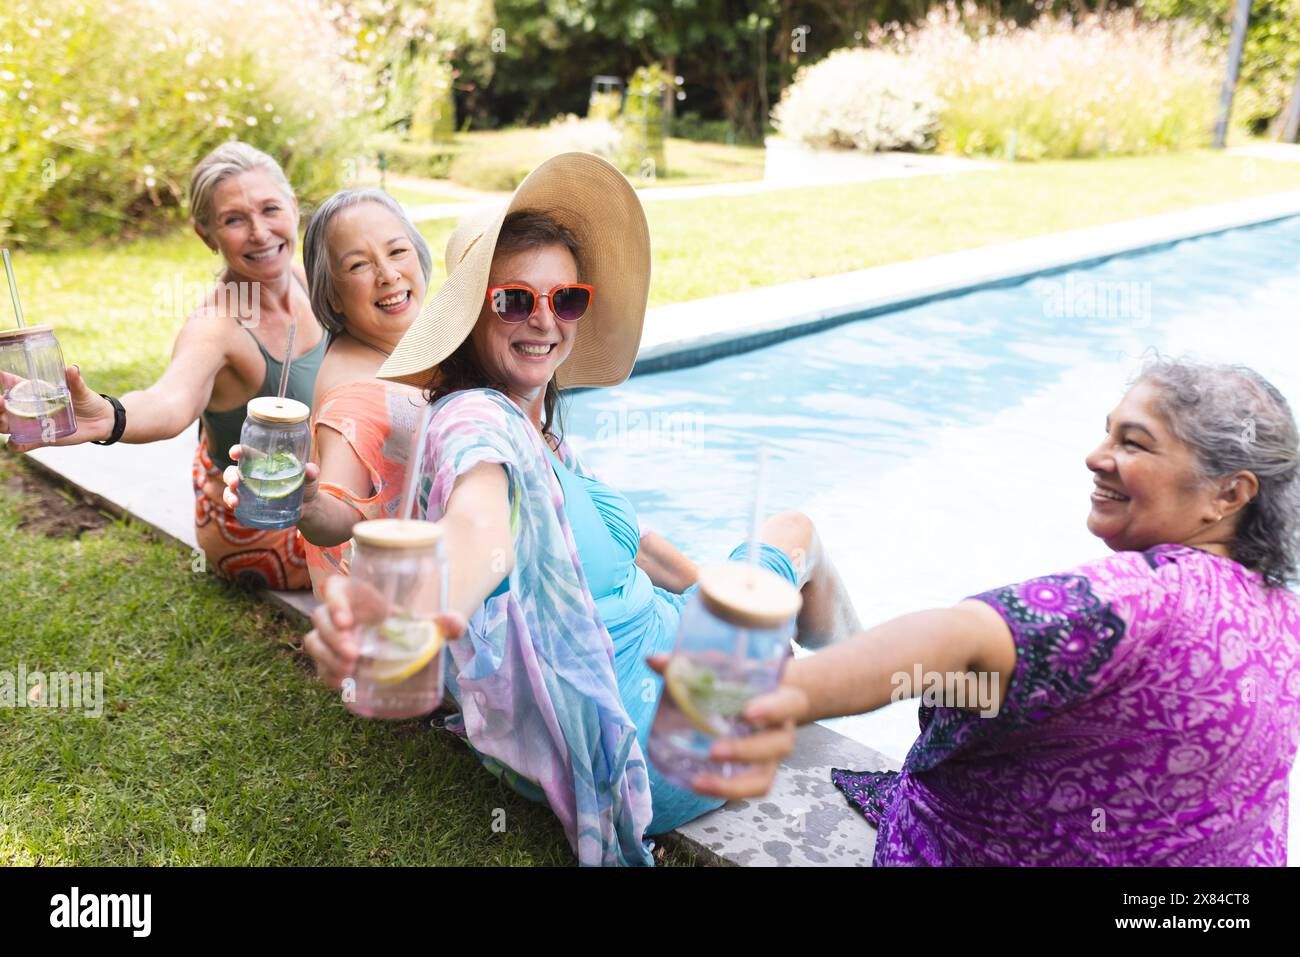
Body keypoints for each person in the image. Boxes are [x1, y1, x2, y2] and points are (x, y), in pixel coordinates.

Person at [304, 152, 861, 866]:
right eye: (514, 300)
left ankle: (826, 665)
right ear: (474, 311)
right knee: (798, 531)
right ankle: (865, 676)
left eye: (565, 299)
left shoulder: (535, 430)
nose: (544, 321)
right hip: (659, 740)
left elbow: (647, 549)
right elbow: (478, 531)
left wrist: (722, 606)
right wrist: (414, 614)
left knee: (761, 577)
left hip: (633, 691)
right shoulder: (476, 422)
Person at [683, 357, 1300, 866]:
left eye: (1131, 443)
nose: (1095, 455)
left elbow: (958, 635)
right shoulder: (1282, 615)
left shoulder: (1142, 600)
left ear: (1229, 493)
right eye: (1106, 431)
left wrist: (782, 692)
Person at [0, 141, 326, 589]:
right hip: (256, 526)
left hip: (311, 492)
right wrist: (110, 416)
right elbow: (170, 401)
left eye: (270, 209)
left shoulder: (309, 283)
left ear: (292, 206)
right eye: (234, 219)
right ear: (205, 234)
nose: (259, 232)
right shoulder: (218, 325)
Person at [220, 189, 431, 596]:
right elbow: (336, 515)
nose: (387, 275)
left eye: (397, 251)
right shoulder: (354, 398)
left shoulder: (415, 341)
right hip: (403, 617)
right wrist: (310, 506)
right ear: (332, 293)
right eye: (358, 265)